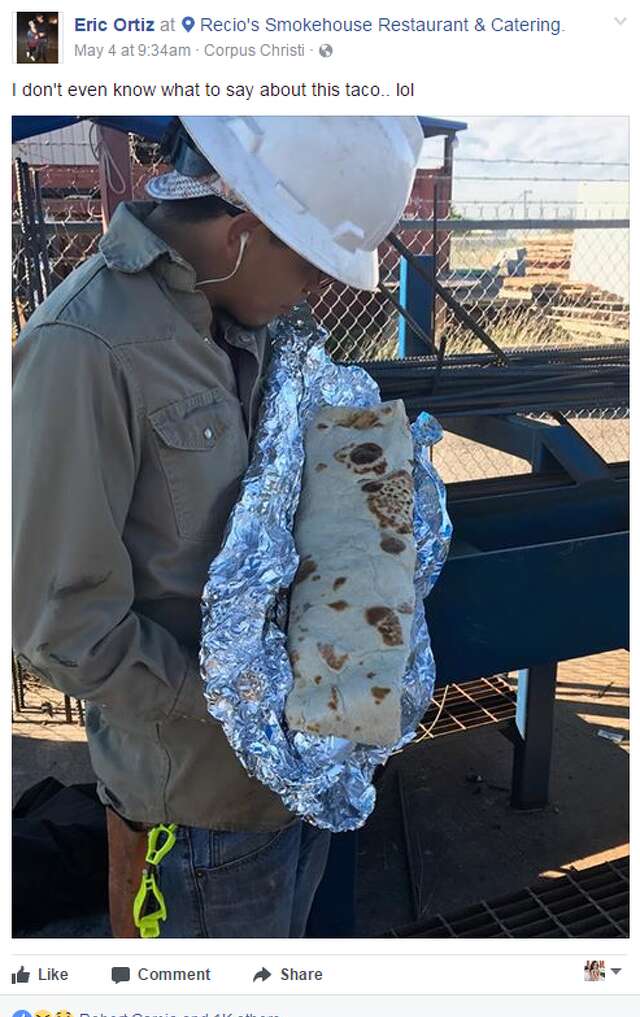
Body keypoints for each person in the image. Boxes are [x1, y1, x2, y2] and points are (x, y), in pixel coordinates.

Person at [12, 115, 423, 938]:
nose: (313, 291)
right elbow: (59, 626)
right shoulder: (85, 348)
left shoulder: (245, 322)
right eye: (309, 267)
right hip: (197, 808)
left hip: (296, 775)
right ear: (245, 229)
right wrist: (249, 706)